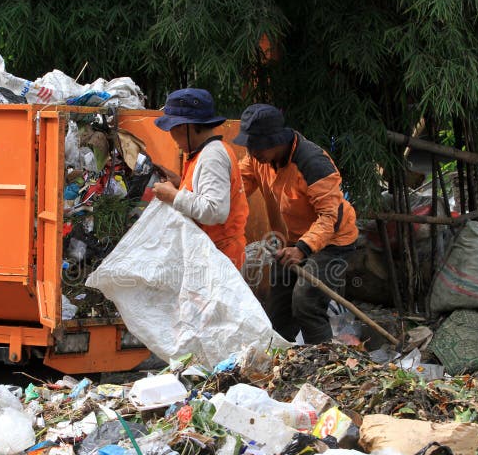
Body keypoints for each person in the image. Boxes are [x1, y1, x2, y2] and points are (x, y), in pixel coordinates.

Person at [234, 103, 358, 344]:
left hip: (332, 241)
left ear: (276, 140)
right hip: (292, 240)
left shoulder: (313, 163)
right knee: (277, 308)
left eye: (255, 144)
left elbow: (330, 217)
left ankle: (324, 363)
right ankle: (277, 360)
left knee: (306, 301)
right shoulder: (257, 157)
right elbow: (238, 188)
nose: (250, 150)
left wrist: (302, 248)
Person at [152, 88, 249, 268]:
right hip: (210, 252)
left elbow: (214, 211)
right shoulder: (206, 152)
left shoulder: (212, 156)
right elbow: (203, 193)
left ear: (184, 127)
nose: (172, 137)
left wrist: (173, 196)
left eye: (172, 128)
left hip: (222, 257)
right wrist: (178, 183)